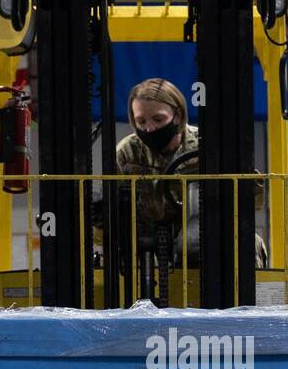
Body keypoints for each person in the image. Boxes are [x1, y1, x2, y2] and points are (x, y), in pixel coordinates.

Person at [114, 77, 267, 268]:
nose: (149, 128)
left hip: (204, 236)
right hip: (147, 242)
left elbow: (248, 204)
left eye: (158, 119)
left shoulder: (208, 146)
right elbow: (113, 210)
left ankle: (241, 288)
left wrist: (246, 182)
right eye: (141, 121)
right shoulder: (127, 153)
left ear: (177, 115)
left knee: (247, 241)